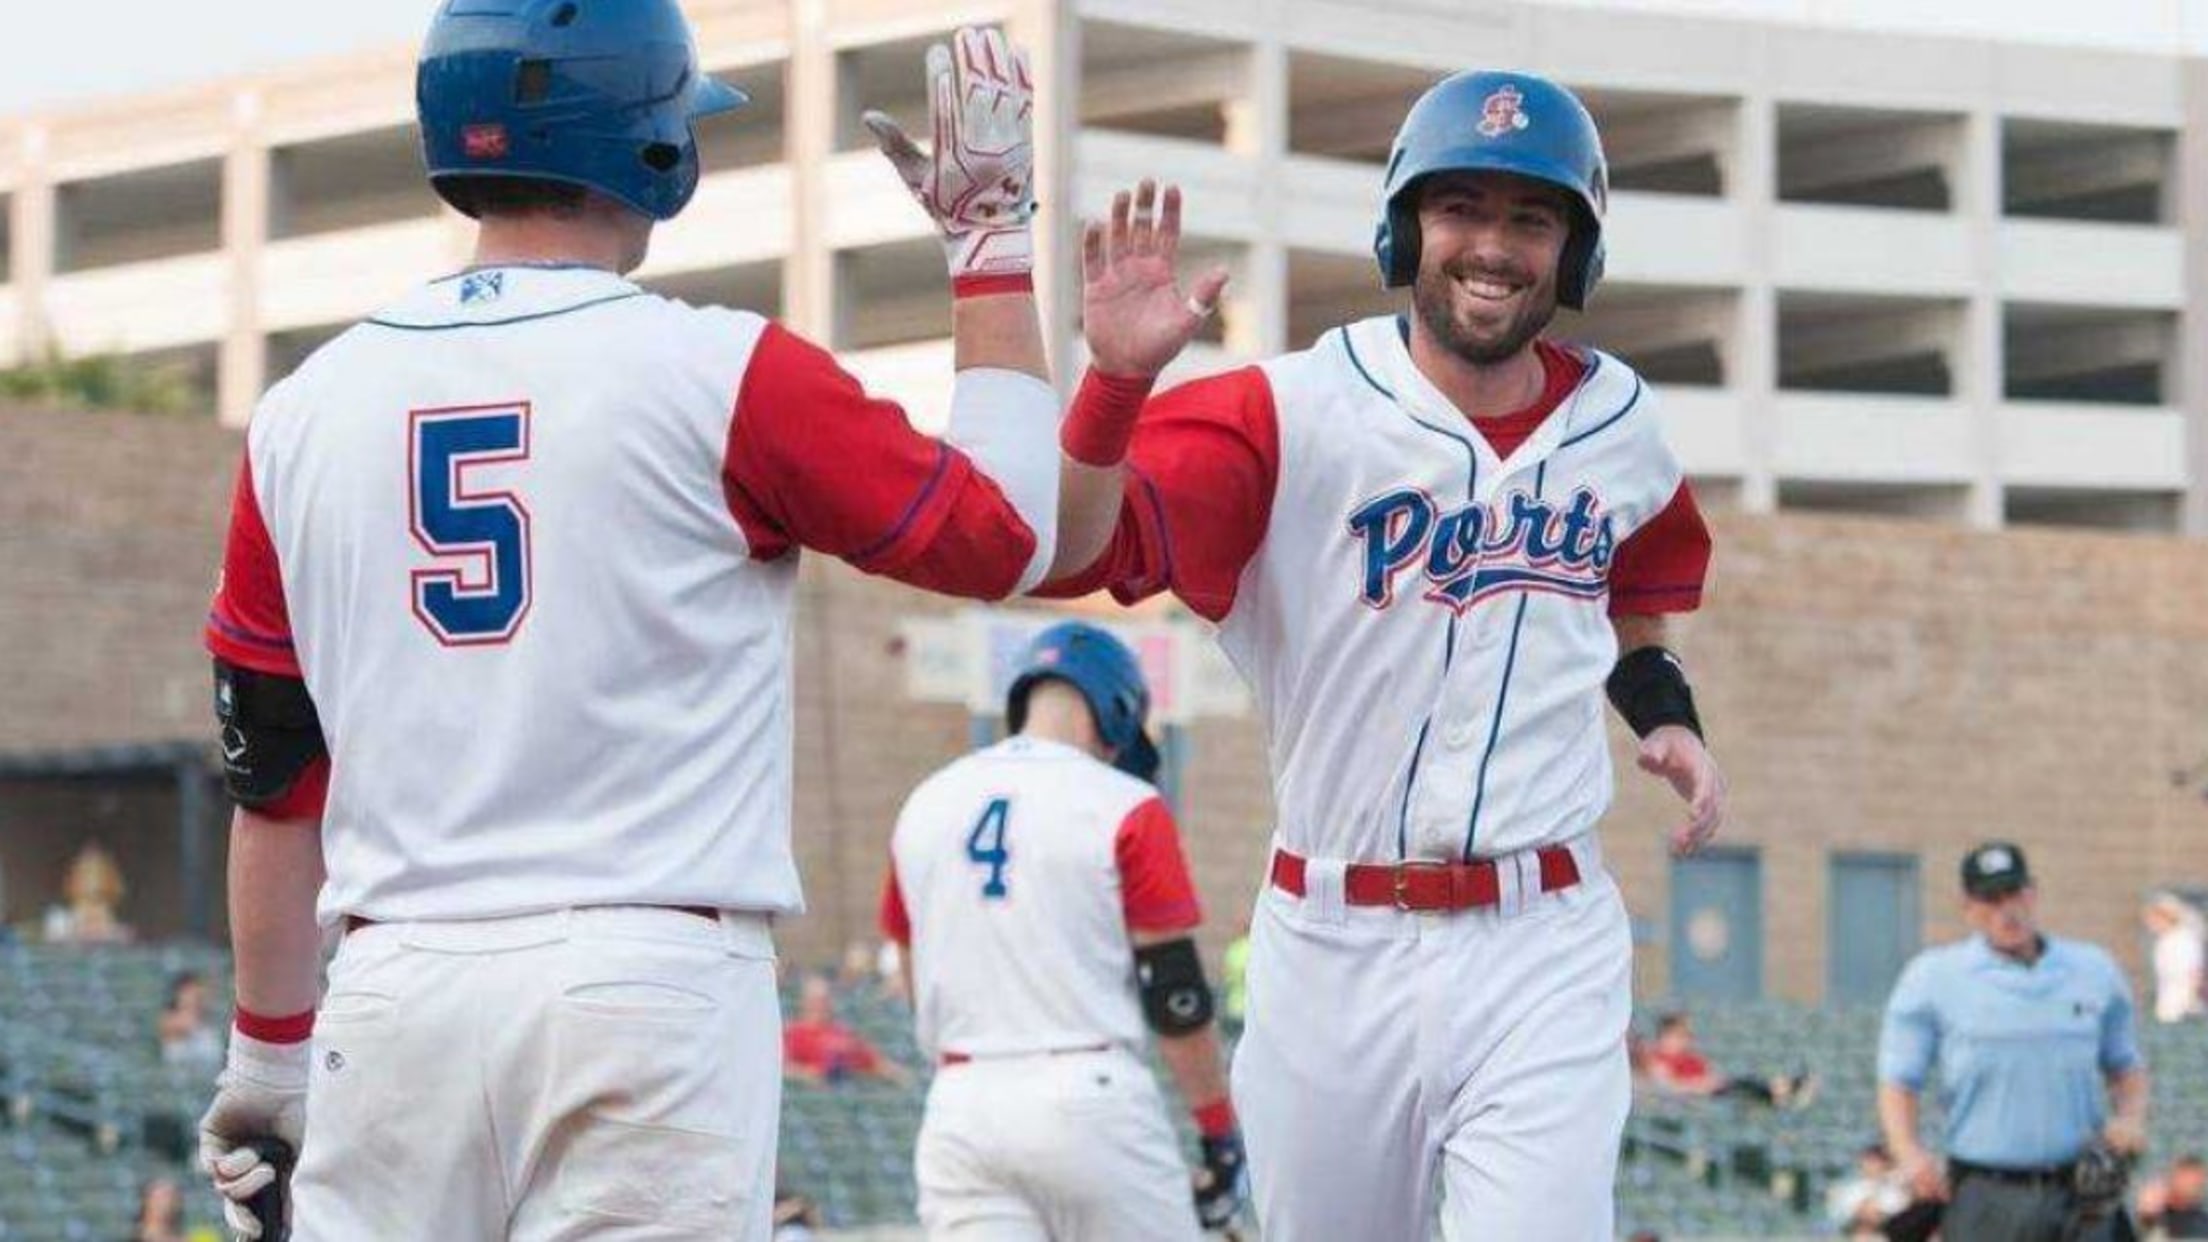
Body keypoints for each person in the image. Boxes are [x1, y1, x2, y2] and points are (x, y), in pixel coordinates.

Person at [193, 5, 1155, 1237]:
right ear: (654, 145)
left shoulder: (298, 410)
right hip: (645, 978)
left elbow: (274, 780)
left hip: (393, 989)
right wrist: (988, 245)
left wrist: (271, 1057)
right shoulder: (721, 369)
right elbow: (1008, 536)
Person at [1034, 70, 1723, 1241]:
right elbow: (1066, 550)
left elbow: (1634, 588)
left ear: (1576, 250)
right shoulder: (1286, 410)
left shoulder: (1621, 421)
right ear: (1407, 227)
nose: (1492, 246)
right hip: (1332, 937)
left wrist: (1663, 707)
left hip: (1541, 936)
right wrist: (1114, 386)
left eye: (1531, 218)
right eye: (1460, 208)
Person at [881, 621, 1243, 1239]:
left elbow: (909, 961)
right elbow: (1174, 993)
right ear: (1117, 710)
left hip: (962, 1104)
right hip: (1089, 1094)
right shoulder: (1124, 800)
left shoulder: (926, 801)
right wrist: (1216, 1129)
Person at [1878, 841, 2149, 1242]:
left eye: (2015, 893)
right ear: (1968, 907)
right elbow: (1898, 1079)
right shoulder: (1934, 977)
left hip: (2081, 1191)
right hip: (1987, 1192)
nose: (2007, 910)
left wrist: (2130, 1118)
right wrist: (1908, 1152)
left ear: (2033, 893)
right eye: (1990, 898)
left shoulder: (2092, 969)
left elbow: (2126, 1065)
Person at [1642, 1011, 1814, 1109]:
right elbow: (1667, 1088)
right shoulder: (1656, 1058)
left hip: (1713, 1093)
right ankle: (1788, 1092)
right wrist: (1699, 1085)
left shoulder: (1690, 1057)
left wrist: (1709, 1082)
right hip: (1697, 1101)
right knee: (1744, 1087)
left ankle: (1787, 1092)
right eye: (1682, 1034)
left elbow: (1709, 1073)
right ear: (1667, 1033)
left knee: (1746, 1082)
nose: (1687, 1039)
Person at [782, 974, 911, 1087]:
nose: (822, 1005)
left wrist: (901, 1077)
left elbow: (874, 1062)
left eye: (826, 999)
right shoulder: (794, 1033)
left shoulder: (841, 1032)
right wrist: (805, 1074)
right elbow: (782, 1069)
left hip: (845, 1092)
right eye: (816, 1000)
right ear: (805, 1003)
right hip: (814, 1097)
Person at [1825, 1143, 1912, 1239]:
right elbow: (1840, 1214)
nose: (1870, 1166)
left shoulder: (1896, 1190)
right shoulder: (1852, 1189)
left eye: (1874, 1162)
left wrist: (1878, 1212)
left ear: (1885, 1164)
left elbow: (1898, 1211)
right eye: (1867, 1161)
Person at [2143, 893, 2204, 1025]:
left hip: (2182, 1007)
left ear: (2164, 917)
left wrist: (2189, 1002)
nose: (2149, 923)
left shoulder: (2184, 940)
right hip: (2167, 1004)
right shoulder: (2164, 941)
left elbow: (2194, 973)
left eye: (2152, 918)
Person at [158, 971, 223, 1072]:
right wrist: (189, 1005)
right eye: (188, 990)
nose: (194, 994)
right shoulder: (169, 1018)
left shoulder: (208, 1020)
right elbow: (186, 1026)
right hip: (181, 1078)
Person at [2137, 1155, 2208, 1238]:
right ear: (2174, 1177)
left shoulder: (2203, 1222)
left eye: (2197, 1181)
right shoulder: (2154, 1212)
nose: (2192, 1184)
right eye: (2187, 1178)